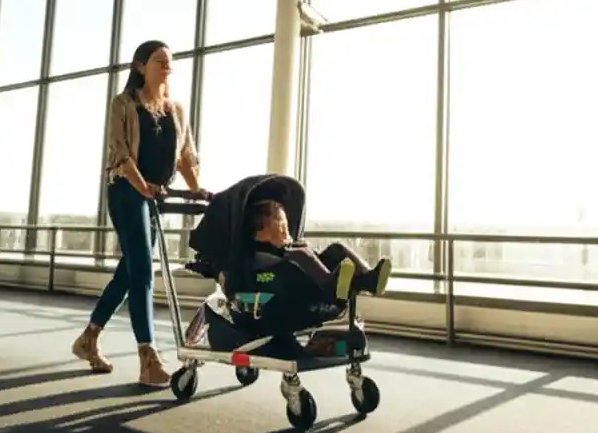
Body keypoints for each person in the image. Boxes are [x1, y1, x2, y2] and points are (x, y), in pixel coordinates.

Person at [72, 40, 212, 388]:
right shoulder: (123, 104)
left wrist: (196, 189)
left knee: (129, 271)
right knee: (143, 271)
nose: (167, 66)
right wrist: (142, 185)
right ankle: (148, 357)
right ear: (140, 66)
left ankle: (88, 338)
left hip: (154, 195)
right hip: (125, 190)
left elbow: (186, 156)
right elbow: (120, 153)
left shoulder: (176, 109)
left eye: (170, 62)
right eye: (159, 60)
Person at [246, 199, 392, 306]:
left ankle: (368, 280)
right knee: (301, 254)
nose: (284, 228)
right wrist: (290, 247)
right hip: (282, 276)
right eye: (278, 220)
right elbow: (269, 259)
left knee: (337, 248)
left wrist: (299, 245)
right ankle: (332, 288)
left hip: (307, 273)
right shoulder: (260, 249)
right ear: (261, 229)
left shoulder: (288, 243)